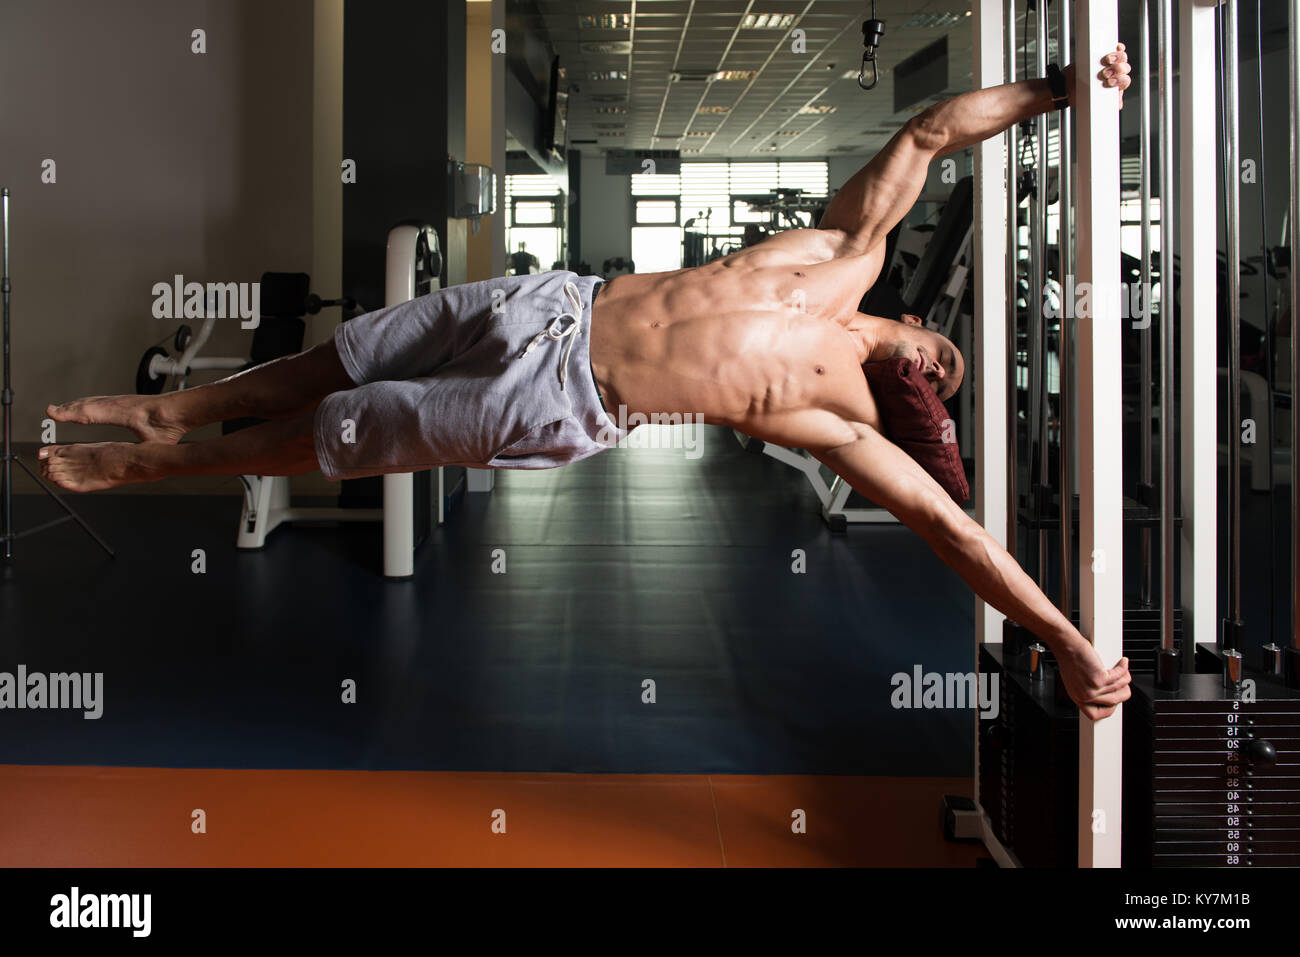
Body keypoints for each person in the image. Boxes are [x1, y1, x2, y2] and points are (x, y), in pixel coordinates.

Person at [42, 48, 1133, 719]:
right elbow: (932, 131)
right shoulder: (841, 253)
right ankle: (168, 405)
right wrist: (1058, 89)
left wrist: (1069, 641)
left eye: (943, 377)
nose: (935, 358)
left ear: (917, 398)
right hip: (554, 302)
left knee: (346, 433)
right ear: (910, 316)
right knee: (355, 351)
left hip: (566, 401)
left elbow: (956, 534)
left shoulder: (841, 417)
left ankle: (155, 462)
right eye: (941, 345)